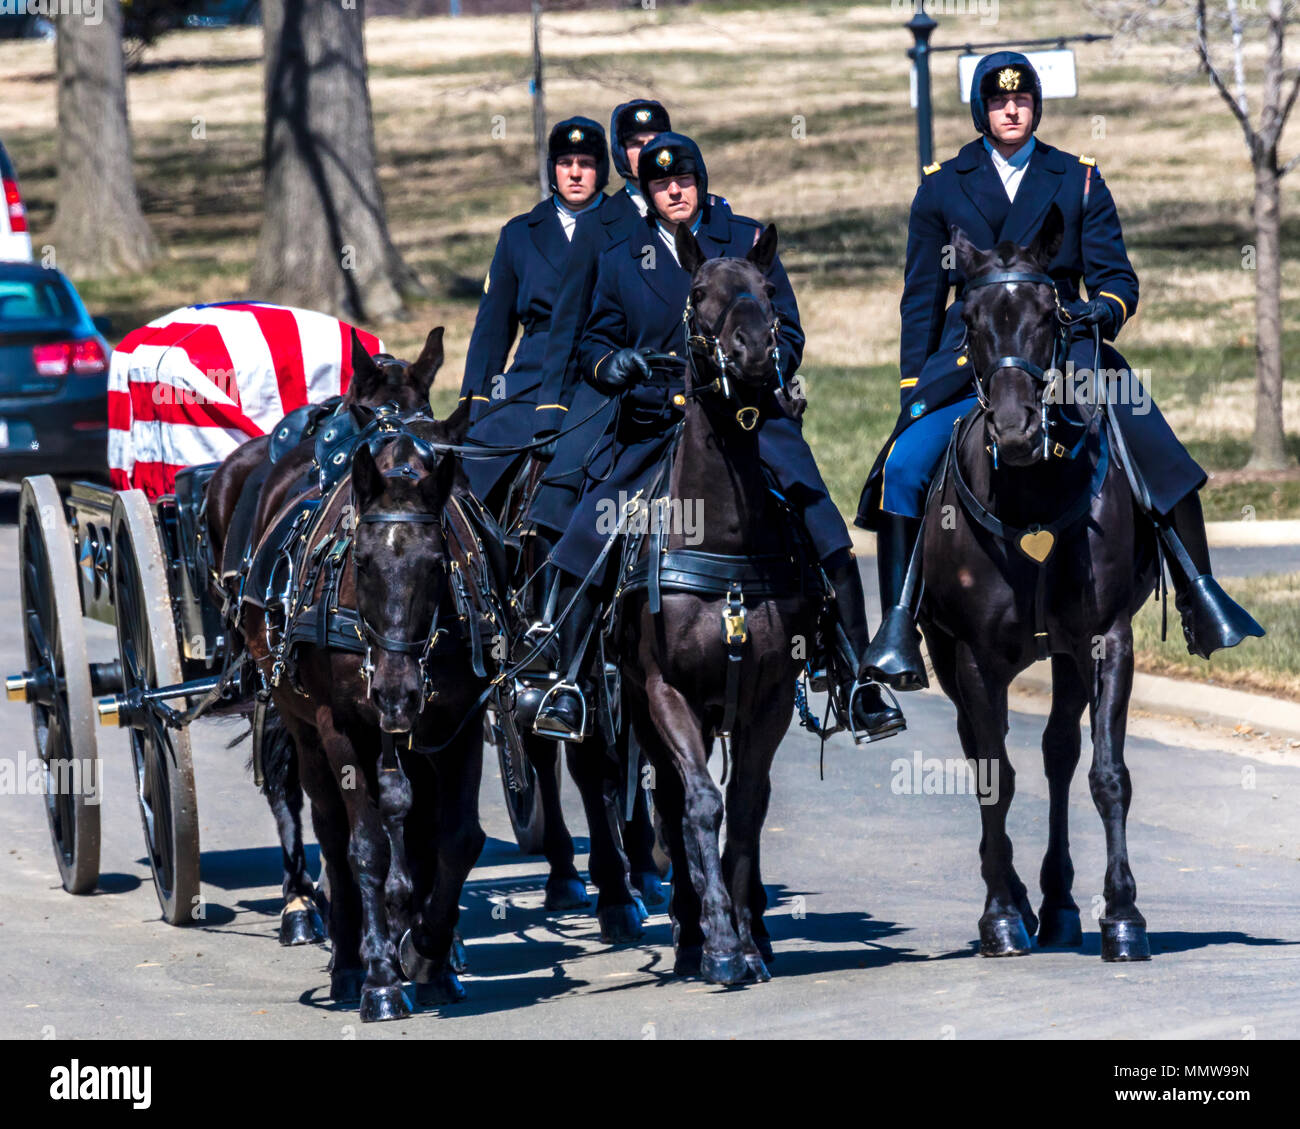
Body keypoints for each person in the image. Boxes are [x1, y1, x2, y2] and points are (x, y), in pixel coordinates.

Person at [856, 51, 1262, 689]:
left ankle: (1199, 593)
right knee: (904, 467)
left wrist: (1101, 308)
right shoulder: (941, 184)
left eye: (1021, 100)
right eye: (997, 101)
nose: (1011, 110)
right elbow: (921, 298)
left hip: (1061, 344)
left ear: (1036, 106)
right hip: (973, 355)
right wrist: (914, 389)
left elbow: (1117, 277)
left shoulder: (1076, 178)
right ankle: (898, 626)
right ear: (981, 110)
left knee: (1156, 446)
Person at [533, 131, 906, 745]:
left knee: (826, 531)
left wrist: (765, 365)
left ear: (700, 181)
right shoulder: (624, 254)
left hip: (755, 420)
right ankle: (566, 679)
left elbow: (789, 331)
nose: (673, 190)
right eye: (659, 183)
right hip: (658, 420)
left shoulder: (747, 242)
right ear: (645, 192)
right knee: (589, 532)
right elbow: (594, 341)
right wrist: (614, 365)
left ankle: (857, 678)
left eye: (683, 179)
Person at [457, 116, 609, 516]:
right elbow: (492, 332)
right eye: (565, 163)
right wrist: (475, 405)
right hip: (531, 379)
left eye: (587, 163)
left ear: (602, 170)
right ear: (552, 170)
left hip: (600, 374)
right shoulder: (520, 234)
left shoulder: (626, 225)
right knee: (468, 473)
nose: (575, 173)